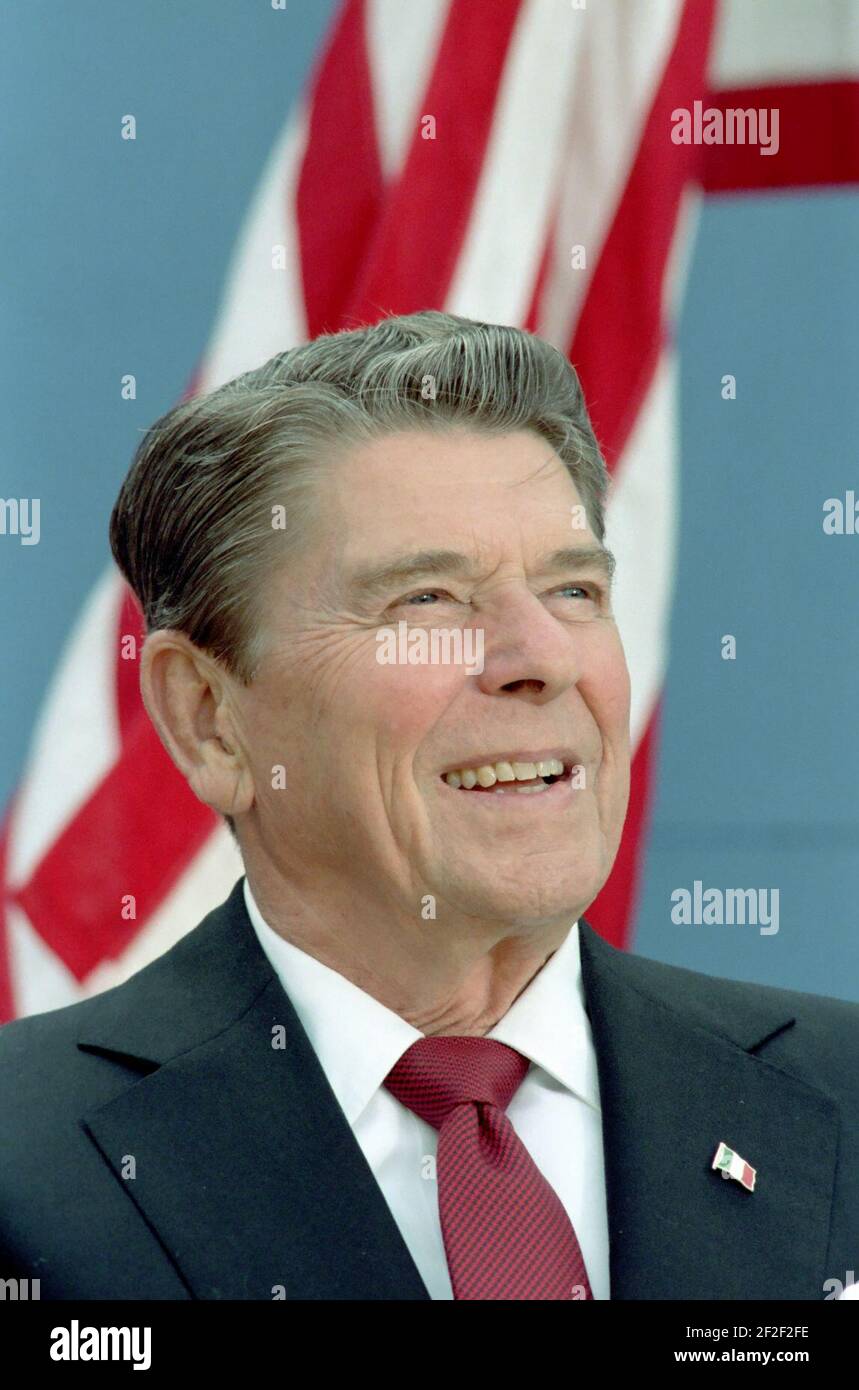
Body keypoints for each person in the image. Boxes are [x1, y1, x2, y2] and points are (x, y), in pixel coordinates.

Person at [1, 311, 857, 1300]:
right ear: (208, 719)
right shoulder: (29, 1166)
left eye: (574, 590)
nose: (541, 658)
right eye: (429, 602)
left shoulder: (836, 1100)